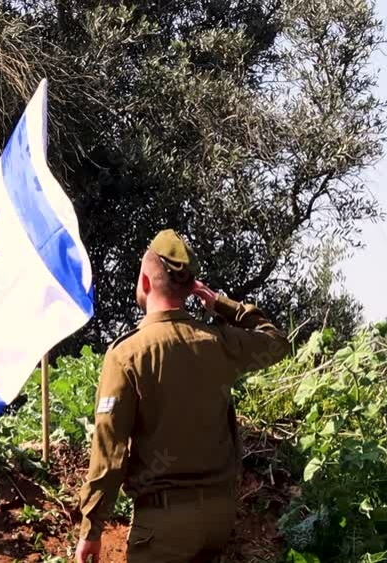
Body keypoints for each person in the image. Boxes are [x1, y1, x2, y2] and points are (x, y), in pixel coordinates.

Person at [74, 229, 290, 563]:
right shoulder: (217, 342)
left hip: (164, 526)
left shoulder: (127, 354)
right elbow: (275, 342)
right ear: (190, 288)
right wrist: (220, 303)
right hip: (218, 518)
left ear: (146, 280)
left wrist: (91, 529)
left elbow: (110, 454)